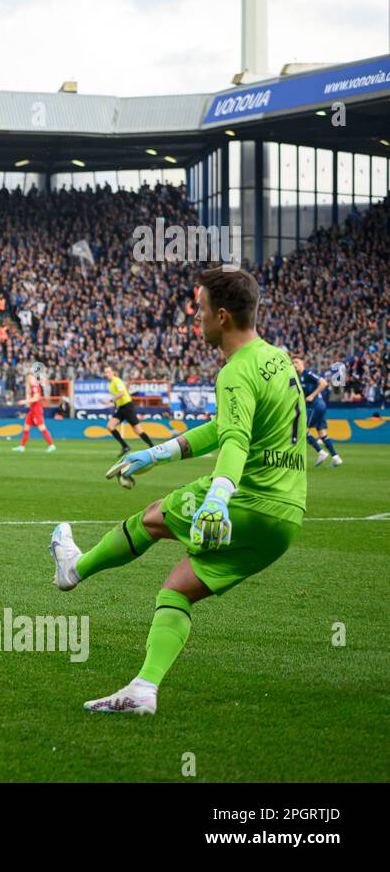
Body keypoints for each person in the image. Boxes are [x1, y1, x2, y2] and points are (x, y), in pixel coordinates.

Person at [50, 267, 306, 715]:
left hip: (245, 501)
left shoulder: (235, 373)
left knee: (151, 517)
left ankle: (74, 569)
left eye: (200, 309)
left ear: (222, 316)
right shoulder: (278, 358)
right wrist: (158, 454)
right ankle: (143, 689)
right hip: (284, 520)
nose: (196, 318)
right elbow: (229, 427)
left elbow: (235, 442)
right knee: (177, 590)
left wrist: (218, 496)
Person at [293, 357, 342, 467]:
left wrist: (312, 396)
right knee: (322, 433)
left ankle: (321, 452)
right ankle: (336, 457)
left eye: (296, 362)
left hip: (314, 405)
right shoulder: (297, 377)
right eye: (293, 362)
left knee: (301, 430)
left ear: (302, 363)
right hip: (319, 406)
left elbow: (324, 383)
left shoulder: (308, 373)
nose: (294, 364)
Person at [103, 365, 154, 456]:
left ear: (113, 372)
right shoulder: (110, 383)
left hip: (127, 407)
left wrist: (110, 401)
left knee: (138, 430)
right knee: (110, 426)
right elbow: (118, 396)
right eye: (105, 372)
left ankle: (153, 447)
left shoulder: (117, 381)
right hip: (120, 408)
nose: (107, 374)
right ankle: (125, 446)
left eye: (108, 372)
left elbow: (122, 393)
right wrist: (114, 405)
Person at [12, 372, 55, 453]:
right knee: (26, 428)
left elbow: (36, 398)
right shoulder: (33, 387)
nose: (29, 380)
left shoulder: (35, 387)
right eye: (28, 378)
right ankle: (22, 447)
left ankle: (51, 445)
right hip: (32, 412)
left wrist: (25, 401)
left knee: (42, 428)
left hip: (36, 412)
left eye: (30, 378)